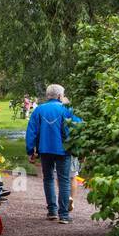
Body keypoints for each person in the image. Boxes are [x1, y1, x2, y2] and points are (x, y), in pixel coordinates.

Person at [26, 83, 81, 224]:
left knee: (48, 179)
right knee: (64, 181)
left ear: (47, 95)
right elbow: (79, 127)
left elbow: (31, 131)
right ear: (59, 96)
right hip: (64, 150)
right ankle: (63, 215)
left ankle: (52, 211)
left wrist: (30, 150)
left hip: (44, 150)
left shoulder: (38, 110)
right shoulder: (67, 109)